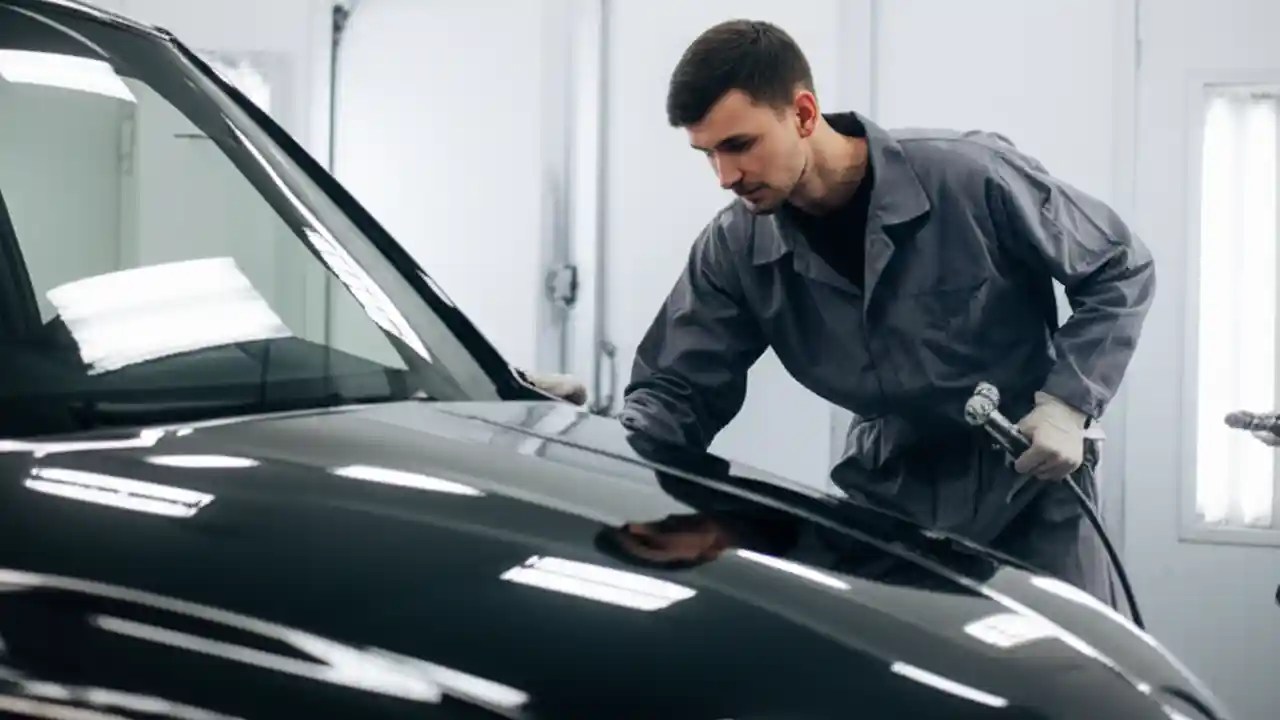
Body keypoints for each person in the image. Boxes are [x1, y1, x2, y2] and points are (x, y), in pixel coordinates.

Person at [541, 19, 1155, 606]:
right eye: (707, 154)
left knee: (1064, 688)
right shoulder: (735, 248)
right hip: (888, 506)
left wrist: (1067, 403)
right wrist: (587, 452)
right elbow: (675, 390)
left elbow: (1120, 266)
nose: (726, 176)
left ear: (804, 113)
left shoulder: (969, 178)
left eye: (740, 145)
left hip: (1031, 492)